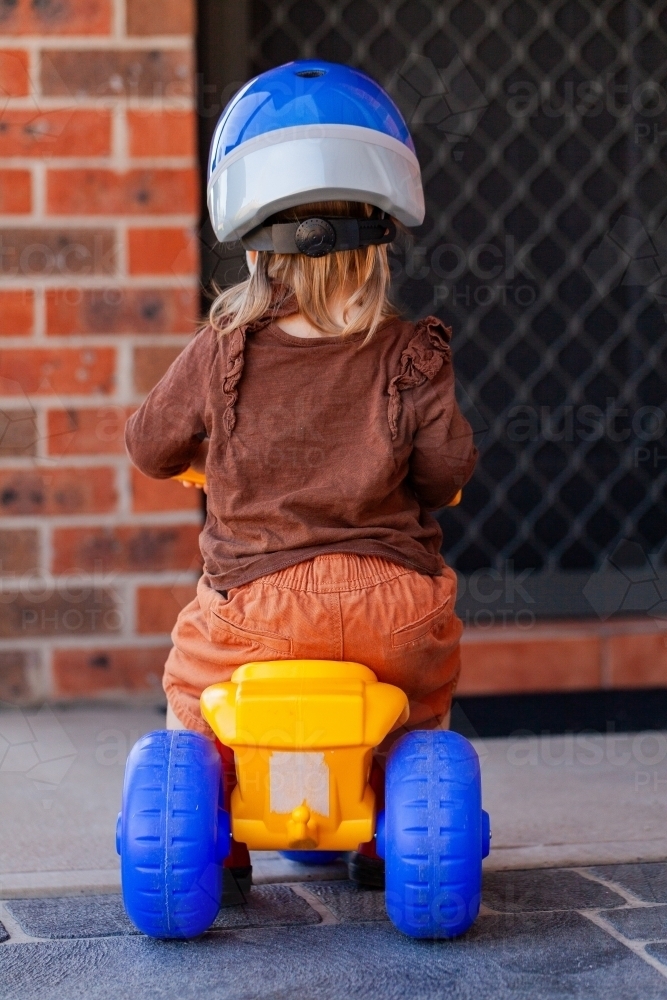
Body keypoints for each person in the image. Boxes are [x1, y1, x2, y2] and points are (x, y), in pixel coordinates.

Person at [125, 60, 478, 893]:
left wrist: (201, 455)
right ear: (382, 235)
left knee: (191, 694)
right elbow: (444, 471)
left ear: (252, 242)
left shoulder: (223, 348)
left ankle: (224, 837)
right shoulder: (413, 351)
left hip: (256, 612)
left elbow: (147, 446)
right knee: (422, 702)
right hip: (394, 611)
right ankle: (386, 814)